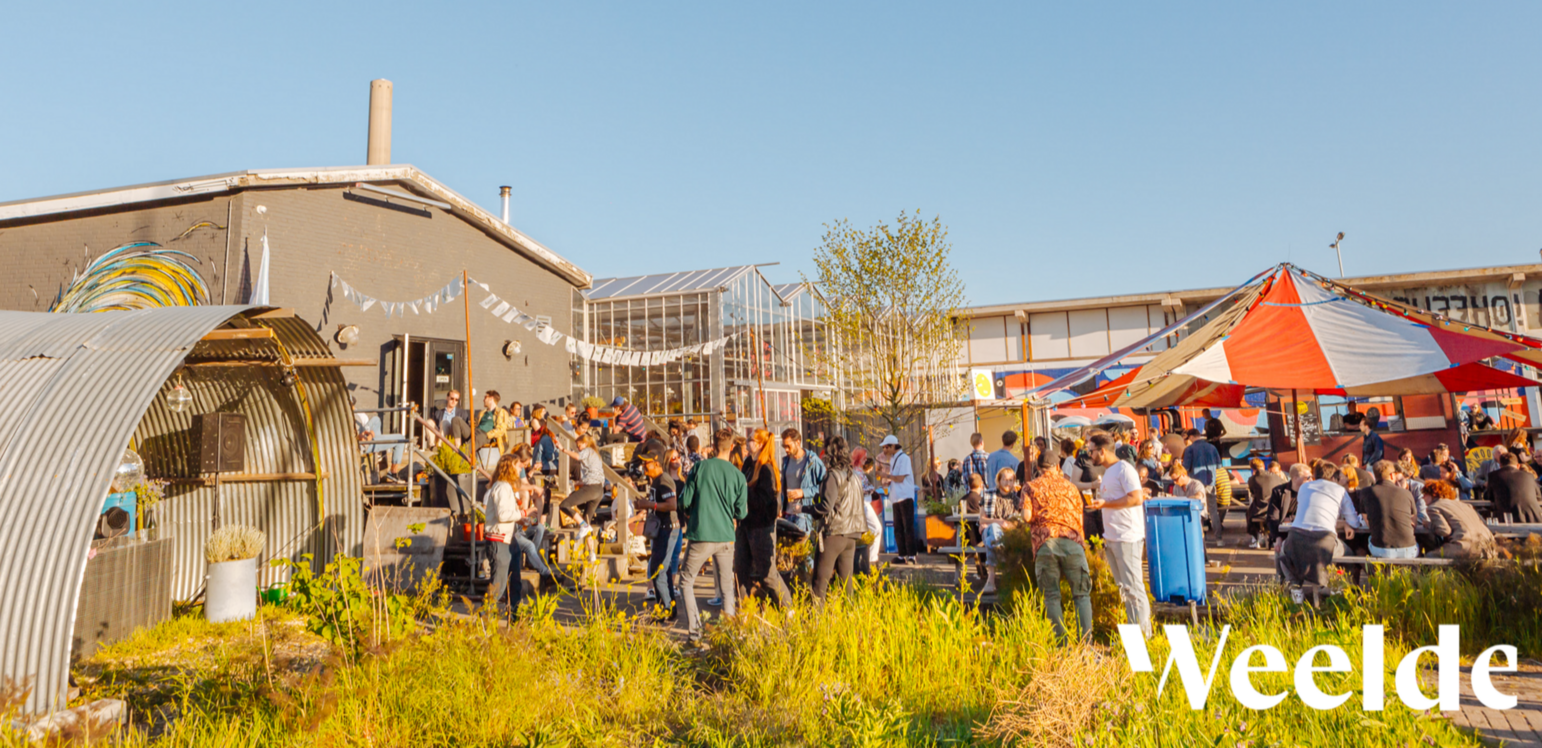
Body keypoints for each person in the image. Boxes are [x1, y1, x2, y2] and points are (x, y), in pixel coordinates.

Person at [678, 430, 749, 641]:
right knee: (727, 588)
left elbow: (684, 501)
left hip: (702, 533)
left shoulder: (700, 468)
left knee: (685, 581)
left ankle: (695, 632)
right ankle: (728, 636)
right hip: (727, 534)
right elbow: (741, 512)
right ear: (731, 447)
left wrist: (692, 510)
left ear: (713, 446)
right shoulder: (738, 475)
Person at [1019, 447, 1092, 644]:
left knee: (1051, 596)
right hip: (1072, 541)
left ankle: (1061, 645)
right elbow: (1079, 514)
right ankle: (1085, 644)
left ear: (1038, 467)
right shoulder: (1071, 487)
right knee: (1081, 595)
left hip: (1045, 543)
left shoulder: (1030, 487)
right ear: (1057, 466)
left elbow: (1026, 517)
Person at [1085, 431, 1151, 637]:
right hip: (1113, 536)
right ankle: (1134, 636)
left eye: (1091, 451)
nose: (1089, 455)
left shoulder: (1124, 469)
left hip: (1127, 536)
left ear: (1102, 451)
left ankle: (1143, 636)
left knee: (1133, 588)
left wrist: (1106, 504)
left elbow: (1136, 498)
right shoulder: (1109, 472)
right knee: (1124, 589)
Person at [1276, 462, 1366, 602]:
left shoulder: (1304, 487)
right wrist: (1345, 524)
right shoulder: (1339, 490)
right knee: (1349, 556)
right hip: (1324, 540)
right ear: (1333, 477)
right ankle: (1337, 587)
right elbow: (1354, 522)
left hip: (1296, 536)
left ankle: (1296, 589)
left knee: (1283, 554)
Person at [736, 429, 793, 608]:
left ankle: (788, 608)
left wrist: (745, 489)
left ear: (760, 444)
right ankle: (745, 611)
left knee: (767, 574)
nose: (746, 442)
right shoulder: (747, 464)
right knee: (741, 571)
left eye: (750, 440)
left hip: (761, 527)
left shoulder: (767, 468)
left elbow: (764, 502)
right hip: (745, 525)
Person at [809, 436, 866, 599]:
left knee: (820, 583)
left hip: (834, 533)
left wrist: (807, 508)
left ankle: (816, 622)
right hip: (852, 534)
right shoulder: (855, 477)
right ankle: (851, 619)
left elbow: (826, 506)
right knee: (847, 585)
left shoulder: (833, 475)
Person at [634, 454, 681, 618]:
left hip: (668, 530)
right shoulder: (657, 481)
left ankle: (666, 609)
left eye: (646, 464)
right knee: (662, 569)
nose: (644, 468)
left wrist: (649, 504)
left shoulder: (664, 480)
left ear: (657, 464)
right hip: (663, 529)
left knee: (658, 569)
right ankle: (667, 607)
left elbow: (672, 505)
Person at [482, 453, 527, 617]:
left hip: (509, 539)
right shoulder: (501, 486)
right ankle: (484, 618)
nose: (521, 467)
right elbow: (503, 515)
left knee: (515, 582)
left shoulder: (505, 486)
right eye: (518, 464)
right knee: (498, 584)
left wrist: (522, 518)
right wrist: (522, 513)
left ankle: (515, 617)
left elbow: (508, 514)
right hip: (499, 540)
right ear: (509, 467)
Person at [1426, 479, 1498, 559]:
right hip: (1489, 547)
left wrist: (1428, 524)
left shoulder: (1433, 507)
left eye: (1424, 494)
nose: (1422, 497)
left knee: (1430, 556)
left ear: (1433, 494)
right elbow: (1484, 523)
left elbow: (1444, 531)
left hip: (1466, 547)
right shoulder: (1465, 505)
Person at [1362, 460, 1420, 559]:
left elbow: (1366, 519)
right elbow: (1413, 520)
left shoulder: (1365, 493)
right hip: (1408, 549)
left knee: (1368, 540)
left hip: (1381, 549)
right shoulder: (1406, 493)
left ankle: (1379, 573)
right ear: (1392, 475)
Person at [978, 468, 1022, 594]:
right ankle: (1001, 552)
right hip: (990, 530)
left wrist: (1008, 525)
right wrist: (1000, 522)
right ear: (999, 480)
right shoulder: (988, 494)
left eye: (1011, 480)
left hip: (1006, 535)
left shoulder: (1016, 499)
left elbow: (1018, 522)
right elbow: (982, 519)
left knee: (992, 541)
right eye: (1005, 479)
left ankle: (991, 581)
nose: (1008, 483)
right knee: (994, 529)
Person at [881, 435, 921, 564]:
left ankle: (911, 555)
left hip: (905, 496)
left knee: (907, 526)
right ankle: (902, 554)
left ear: (893, 446)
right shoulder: (894, 458)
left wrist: (886, 476)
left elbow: (900, 478)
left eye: (886, 447)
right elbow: (896, 478)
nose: (884, 450)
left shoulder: (904, 458)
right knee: (897, 527)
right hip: (896, 497)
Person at [780, 429, 827, 536]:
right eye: (784, 446)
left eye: (788, 446)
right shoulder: (786, 461)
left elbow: (825, 486)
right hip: (787, 514)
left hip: (803, 515)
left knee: (801, 550)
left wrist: (804, 492)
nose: (786, 450)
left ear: (798, 442)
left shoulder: (812, 461)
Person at [556, 434, 606, 525]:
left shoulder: (587, 450)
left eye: (579, 446)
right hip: (599, 490)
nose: (578, 449)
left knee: (564, 505)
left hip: (591, 488)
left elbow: (577, 457)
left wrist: (563, 449)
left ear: (585, 443)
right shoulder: (595, 454)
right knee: (587, 520)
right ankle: (587, 533)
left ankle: (583, 525)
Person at [1486, 451, 1542, 522]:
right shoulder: (1529, 476)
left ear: (1500, 465)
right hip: (1534, 519)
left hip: (1507, 521)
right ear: (1518, 466)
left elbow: (1489, 497)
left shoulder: (1493, 476)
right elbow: (1539, 497)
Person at [1247, 459, 1286, 549]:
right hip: (1274, 508)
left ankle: (1256, 537)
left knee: (1249, 513)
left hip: (1259, 510)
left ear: (1252, 468)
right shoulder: (1274, 477)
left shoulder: (1251, 479)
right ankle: (1270, 537)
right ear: (1264, 466)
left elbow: (1253, 492)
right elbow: (1284, 485)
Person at [474, 390, 513, 471]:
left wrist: (487, 435)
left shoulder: (501, 412)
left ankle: (463, 460)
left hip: (489, 437)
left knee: (477, 438)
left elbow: (501, 429)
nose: (483, 399)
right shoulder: (482, 413)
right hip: (477, 434)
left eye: (485, 397)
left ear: (491, 398)